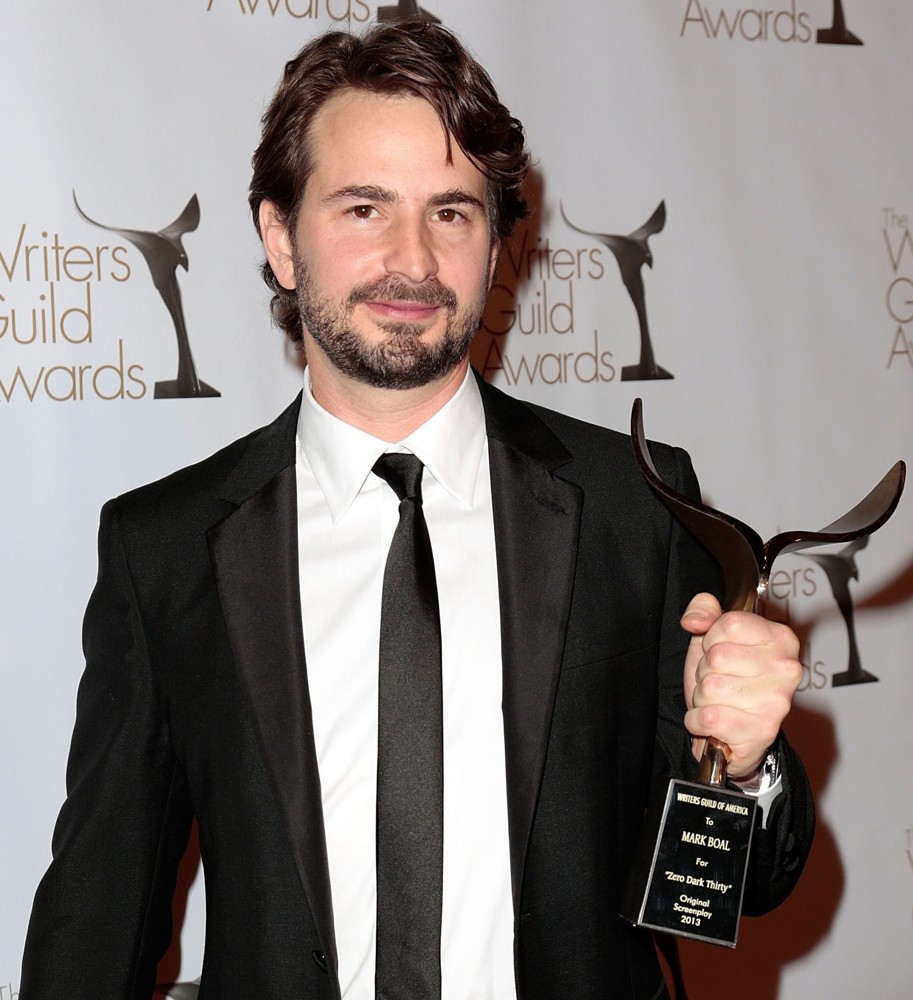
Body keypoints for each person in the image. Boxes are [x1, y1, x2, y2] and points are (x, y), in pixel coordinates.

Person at [21, 18, 813, 1000]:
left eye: (451, 213)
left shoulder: (636, 509)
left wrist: (741, 765)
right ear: (279, 238)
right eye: (363, 208)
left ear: (493, 245)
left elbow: (728, 890)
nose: (412, 260)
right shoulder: (170, 547)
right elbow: (96, 924)